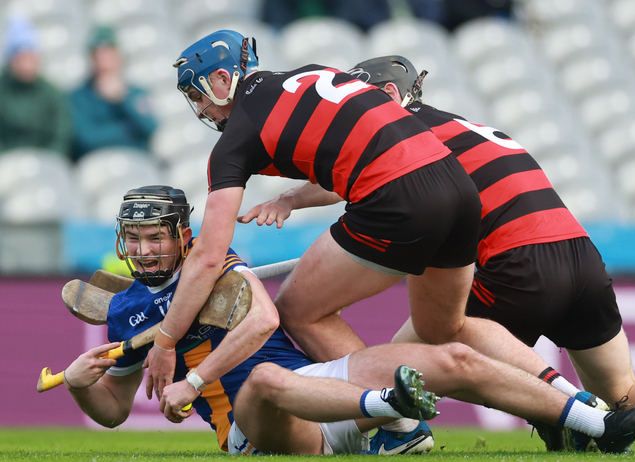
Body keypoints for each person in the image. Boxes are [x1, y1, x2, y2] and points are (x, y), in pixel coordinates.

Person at [341, 55, 635, 454]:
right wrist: (293, 199)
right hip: (580, 256)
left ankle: (558, 410)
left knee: (405, 359)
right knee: (623, 393)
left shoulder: (401, 133)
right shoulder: (460, 126)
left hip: (518, 260)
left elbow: (356, 178)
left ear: (386, 95)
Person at [148, 29, 586, 419]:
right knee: (446, 328)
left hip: (399, 199)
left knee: (299, 312)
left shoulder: (236, 137)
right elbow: (375, 150)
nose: (201, 108)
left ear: (223, 80)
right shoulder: (315, 74)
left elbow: (208, 256)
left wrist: (165, 343)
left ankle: (394, 422)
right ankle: (575, 405)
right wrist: (290, 198)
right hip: (459, 188)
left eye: (197, 94)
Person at [61, 184, 635, 455]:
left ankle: (597, 424)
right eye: (134, 240)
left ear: (181, 235)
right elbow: (114, 412)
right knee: (267, 384)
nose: (143, 251)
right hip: (258, 432)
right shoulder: (124, 309)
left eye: (154, 238)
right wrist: (85, 385)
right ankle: (391, 414)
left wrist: (191, 381)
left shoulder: (221, 266)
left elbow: (261, 323)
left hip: (328, 385)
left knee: (452, 359)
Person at [69, 26, 157, 161]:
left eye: (109, 56)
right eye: (99, 57)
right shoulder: (78, 97)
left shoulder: (136, 93)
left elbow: (150, 128)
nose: (104, 64)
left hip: (137, 161)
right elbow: (86, 139)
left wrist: (123, 99)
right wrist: (129, 132)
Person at [0, 16, 71, 157]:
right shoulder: (3, 89)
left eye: (30, 57)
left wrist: (48, 158)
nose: (26, 64)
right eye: (21, 58)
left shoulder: (51, 93)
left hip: (43, 161)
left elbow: (60, 135)